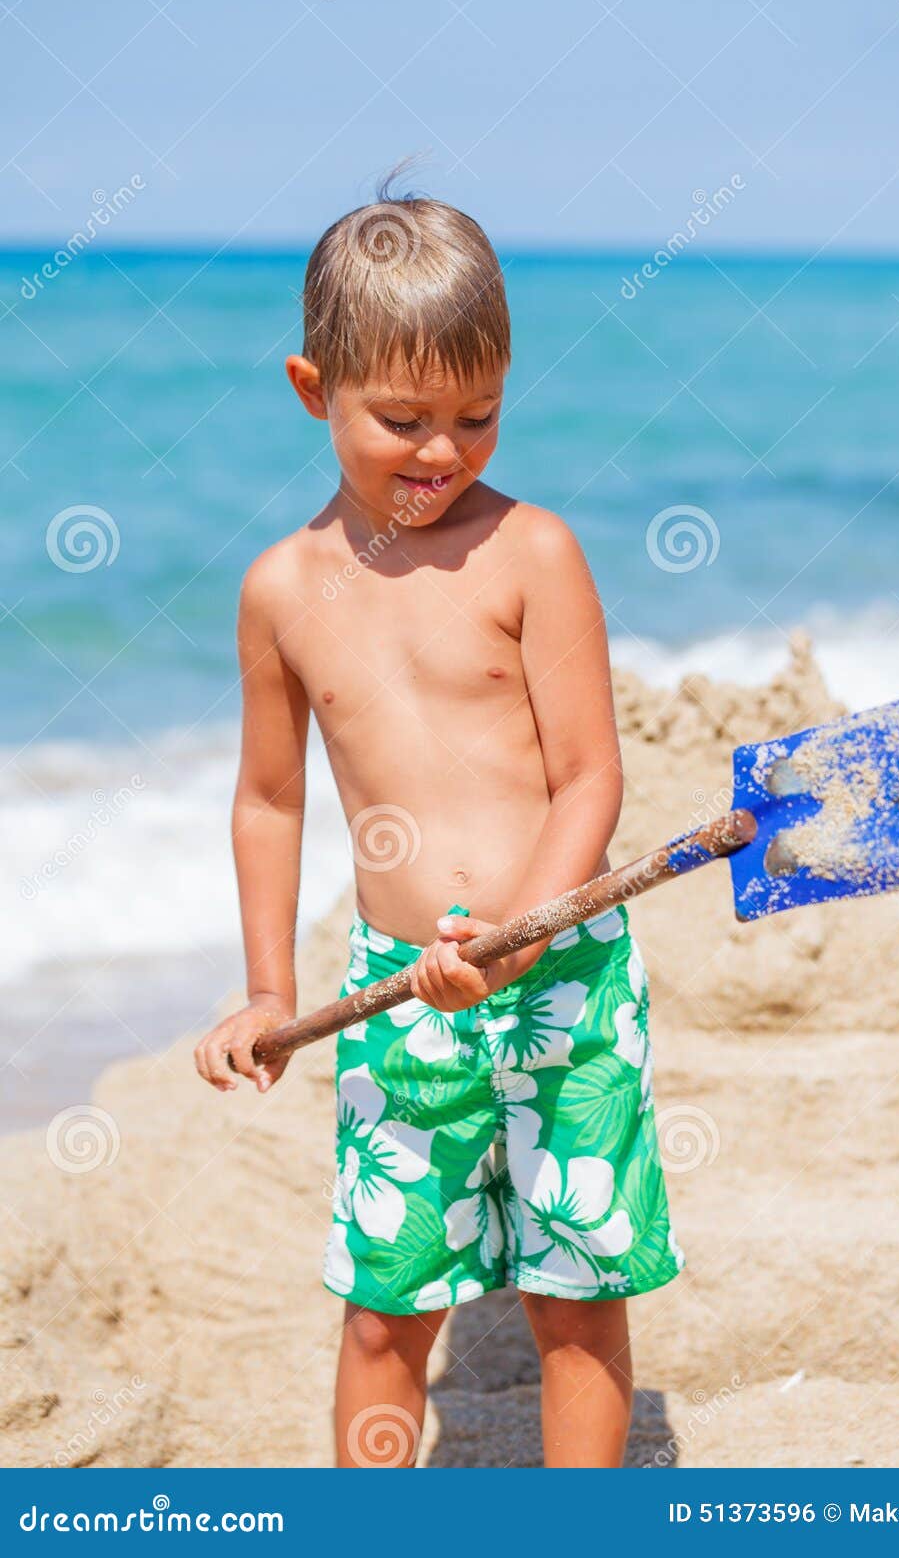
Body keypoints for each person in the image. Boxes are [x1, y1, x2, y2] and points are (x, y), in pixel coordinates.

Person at [193, 171, 685, 1468]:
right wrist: (264, 987)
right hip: (394, 993)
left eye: (478, 413)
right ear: (315, 389)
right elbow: (269, 796)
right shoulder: (282, 592)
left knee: (575, 1298)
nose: (443, 451)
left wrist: (524, 932)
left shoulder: (533, 553)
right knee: (381, 1307)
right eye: (402, 417)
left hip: (561, 975)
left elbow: (590, 776)